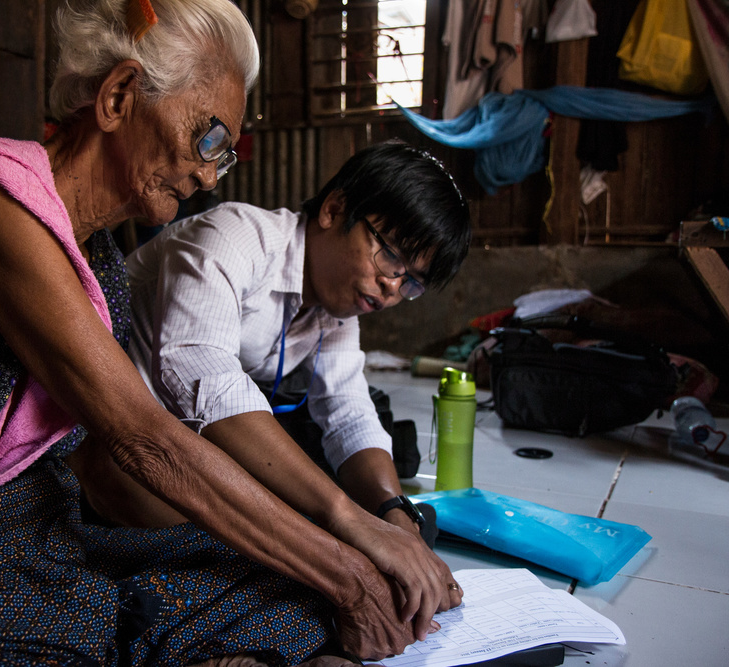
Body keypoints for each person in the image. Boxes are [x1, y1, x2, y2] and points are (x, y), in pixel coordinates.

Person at [0, 1, 459, 665]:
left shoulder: (100, 264)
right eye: (208, 140)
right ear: (118, 97)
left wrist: (338, 543)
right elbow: (143, 438)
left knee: (283, 592)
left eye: (223, 156)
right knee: (153, 612)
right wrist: (345, 566)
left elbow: (103, 457)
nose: (208, 176)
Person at [86, 141, 470, 567]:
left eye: (411, 282)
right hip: (99, 443)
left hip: (173, 449)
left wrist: (394, 514)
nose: (393, 287)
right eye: (391, 257)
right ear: (334, 210)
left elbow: (349, 414)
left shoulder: (335, 312)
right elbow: (206, 378)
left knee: (329, 532)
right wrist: (345, 516)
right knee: (292, 547)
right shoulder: (234, 237)